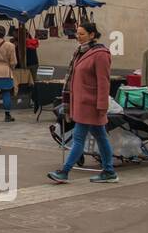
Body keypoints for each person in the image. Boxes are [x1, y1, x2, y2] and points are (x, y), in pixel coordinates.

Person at [48, 22, 116, 184]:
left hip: (91, 104)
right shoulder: (80, 52)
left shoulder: (100, 54)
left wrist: (102, 106)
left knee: (78, 137)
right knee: (101, 137)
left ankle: (64, 171)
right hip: (81, 103)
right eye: (77, 33)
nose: (78, 36)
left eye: (82, 34)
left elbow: (104, 82)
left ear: (92, 35)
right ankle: (109, 171)